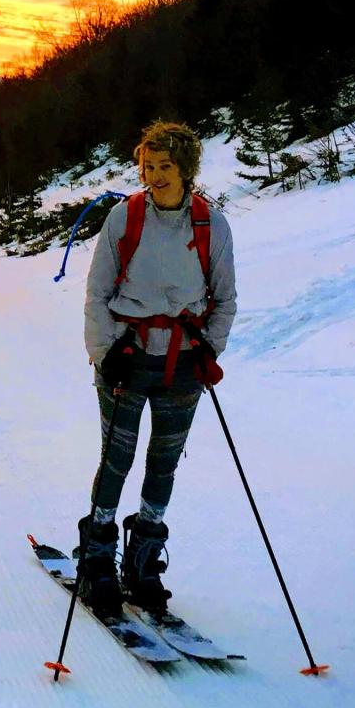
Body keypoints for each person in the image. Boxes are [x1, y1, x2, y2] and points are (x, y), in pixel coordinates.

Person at [78, 120, 237, 617]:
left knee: (164, 461)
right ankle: (99, 557)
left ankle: (143, 561)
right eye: (148, 166)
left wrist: (209, 348)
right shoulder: (124, 219)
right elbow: (97, 294)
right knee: (116, 458)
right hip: (126, 355)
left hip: (183, 360)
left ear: (185, 168)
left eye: (165, 165)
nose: (154, 175)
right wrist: (106, 352)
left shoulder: (210, 224)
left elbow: (225, 297)